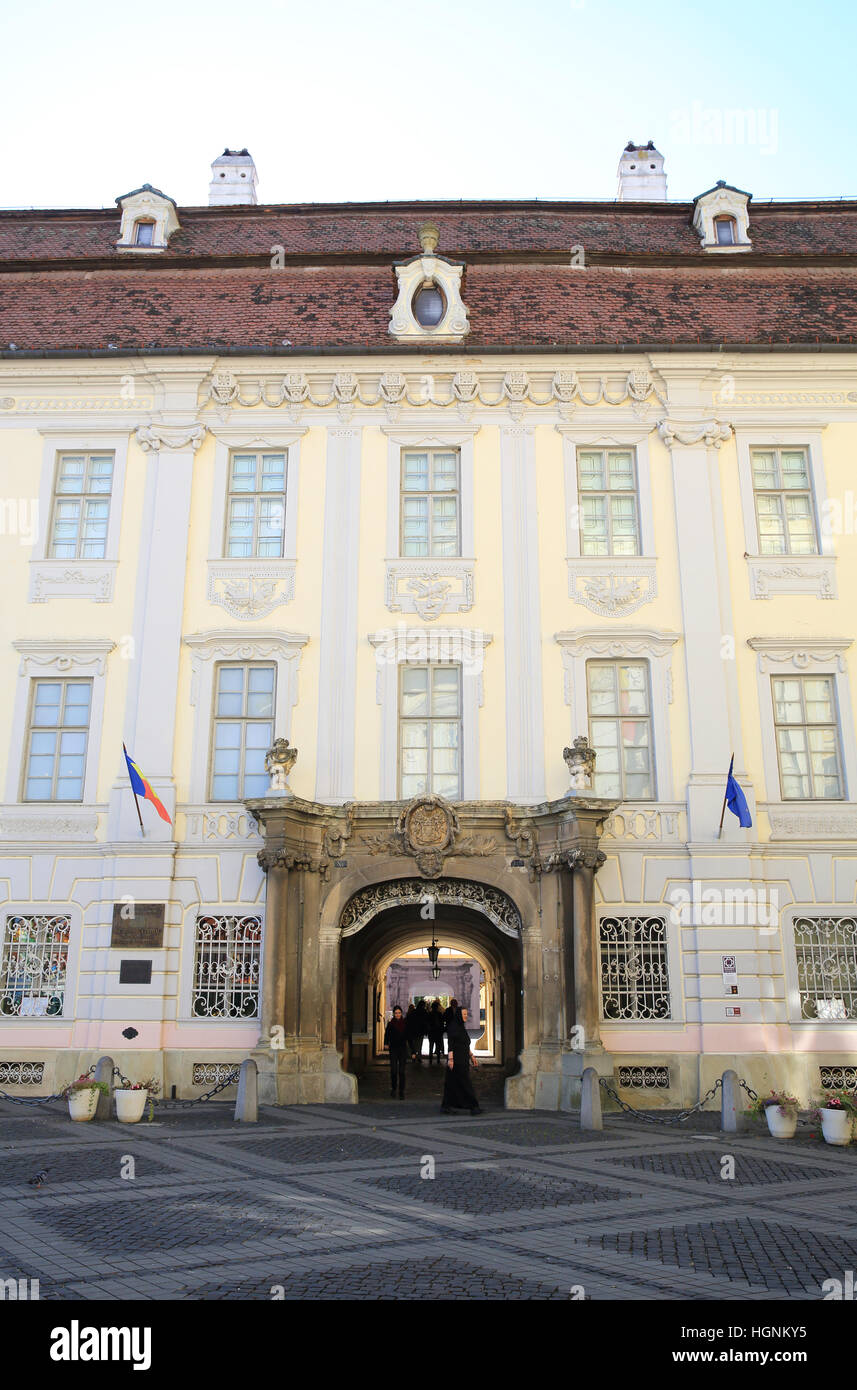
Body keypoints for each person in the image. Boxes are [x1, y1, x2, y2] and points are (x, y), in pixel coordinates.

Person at [440, 1006, 482, 1115]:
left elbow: (465, 1044)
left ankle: (447, 1106)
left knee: (452, 1084)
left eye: (466, 1014)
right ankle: (474, 1106)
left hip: (463, 1059)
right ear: (459, 1015)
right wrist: (450, 1059)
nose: (466, 1016)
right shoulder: (453, 1027)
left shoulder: (461, 1027)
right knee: (465, 1083)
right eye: (464, 1014)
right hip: (456, 1061)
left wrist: (472, 1056)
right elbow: (451, 1044)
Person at [384, 1005, 408, 1099]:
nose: (398, 1015)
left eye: (399, 1013)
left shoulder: (405, 1024)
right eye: (396, 1013)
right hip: (393, 1049)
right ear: (394, 1014)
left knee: (401, 1071)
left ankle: (401, 1091)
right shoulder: (391, 1024)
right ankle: (394, 1088)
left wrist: (413, 1051)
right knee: (393, 1071)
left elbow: (408, 1037)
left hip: (402, 1049)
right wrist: (386, 1043)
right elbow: (387, 1035)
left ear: (401, 1013)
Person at [428, 999, 445, 1065]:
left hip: (432, 1033)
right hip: (438, 1033)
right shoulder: (439, 1014)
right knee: (437, 1047)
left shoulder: (429, 1014)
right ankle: (437, 1060)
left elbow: (428, 1024)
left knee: (431, 1047)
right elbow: (442, 1023)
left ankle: (430, 1060)